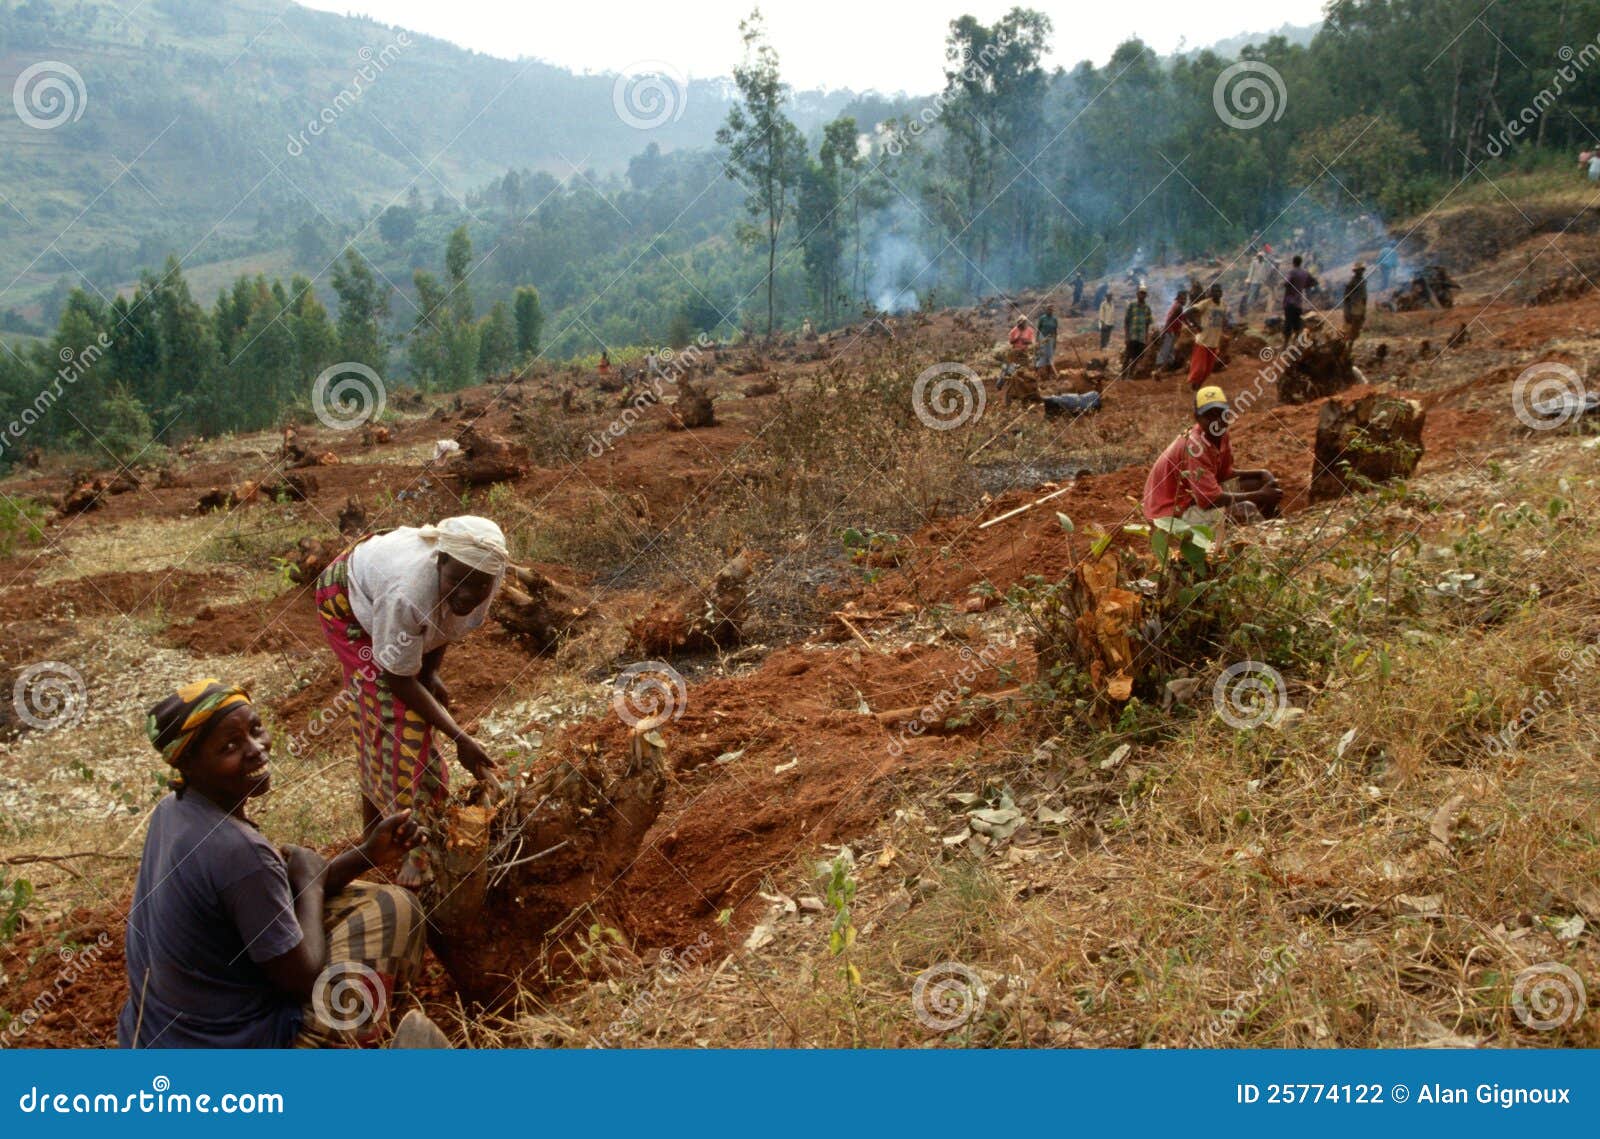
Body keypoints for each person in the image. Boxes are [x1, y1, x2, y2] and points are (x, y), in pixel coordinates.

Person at [119, 680, 429, 1048]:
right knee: (392, 908)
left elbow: (265, 897)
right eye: (230, 747)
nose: (256, 749)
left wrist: (366, 854)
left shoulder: (174, 812)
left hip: (162, 1040)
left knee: (363, 902)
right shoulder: (238, 850)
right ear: (188, 763)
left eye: (255, 730)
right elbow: (300, 977)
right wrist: (311, 885)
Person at [315, 516, 508, 887]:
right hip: (345, 602)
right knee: (400, 724)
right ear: (440, 563)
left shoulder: (484, 574)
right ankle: (420, 852)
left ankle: (373, 831)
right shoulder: (408, 591)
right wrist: (458, 737)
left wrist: (431, 671)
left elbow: (444, 625)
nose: (469, 593)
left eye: (480, 585)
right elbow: (397, 677)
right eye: (458, 581)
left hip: (384, 588)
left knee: (386, 718)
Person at [1142, 386, 1282, 526]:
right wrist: (1261, 495)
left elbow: (1224, 475)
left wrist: (1261, 473)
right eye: (1210, 416)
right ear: (1196, 417)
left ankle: (1273, 524)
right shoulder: (1195, 446)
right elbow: (1210, 500)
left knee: (1258, 483)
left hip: (1192, 500)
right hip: (1169, 518)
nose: (1217, 422)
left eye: (1221, 414)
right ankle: (1268, 535)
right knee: (1245, 508)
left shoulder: (1220, 435)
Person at [1184, 283, 1228, 390]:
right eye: (1214, 291)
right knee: (1200, 369)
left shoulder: (1223, 305)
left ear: (1221, 293)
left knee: (1208, 370)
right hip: (1202, 341)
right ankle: (1193, 385)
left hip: (1214, 342)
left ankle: (1197, 387)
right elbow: (1187, 313)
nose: (1217, 293)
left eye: (1218, 291)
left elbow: (1223, 319)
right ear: (1211, 293)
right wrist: (1196, 325)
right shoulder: (1205, 303)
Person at [1282, 255, 1316, 346]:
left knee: (1288, 322)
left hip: (1289, 302)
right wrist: (1303, 286)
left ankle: (1285, 344)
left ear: (1293, 263)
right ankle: (1294, 343)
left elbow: (1286, 283)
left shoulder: (1292, 272)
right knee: (1297, 323)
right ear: (1301, 263)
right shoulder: (1305, 273)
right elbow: (1314, 282)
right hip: (1298, 303)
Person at [1123, 287, 1154, 377]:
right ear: (1137, 294)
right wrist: (1126, 336)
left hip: (1141, 337)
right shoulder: (1131, 305)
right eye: (1140, 293)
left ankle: (1130, 375)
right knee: (1127, 356)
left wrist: (1146, 337)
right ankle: (1123, 376)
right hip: (1132, 336)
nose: (1142, 295)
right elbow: (1126, 321)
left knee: (1136, 358)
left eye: (1144, 293)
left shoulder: (1147, 308)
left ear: (1146, 296)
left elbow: (1147, 324)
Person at [1157, 288, 1188, 370]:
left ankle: (1162, 369)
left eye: (1186, 299)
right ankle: (1159, 370)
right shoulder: (1178, 307)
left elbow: (1183, 318)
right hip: (1171, 331)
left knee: (1168, 350)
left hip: (1171, 331)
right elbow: (1170, 319)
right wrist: (1164, 331)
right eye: (1183, 298)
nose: (1185, 300)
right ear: (1179, 298)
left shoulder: (1177, 306)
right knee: (1167, 350)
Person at [1342, 263, 1369, 341]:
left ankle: (1351, 342)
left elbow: (1364, 296)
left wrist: (1364, 309)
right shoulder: (1351, 282)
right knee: (1350, 328)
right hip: (1353, 307)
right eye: (1358, 271)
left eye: (1361, 270)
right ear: (1355, 272)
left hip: (1360, 306)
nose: (1360, 272)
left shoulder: (1363, 281)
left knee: (1357, 327)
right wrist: (1347, 311)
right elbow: (1346, 297)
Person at [1035, 304, 1059, 375]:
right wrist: (1037, 340)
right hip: (1043, 338)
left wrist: (1055, 341)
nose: (1050, 311)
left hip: (1051, 338)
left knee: (1050, 355)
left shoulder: (1054, 319)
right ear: (1046, 310)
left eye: (1051, 310)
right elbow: (1038, 329)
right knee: (1041, 354)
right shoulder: (1042, 318)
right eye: (1048, 309)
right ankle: (1036, 373)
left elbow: (1055, 331)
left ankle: (1048, 374)